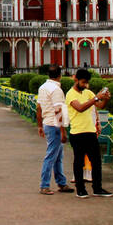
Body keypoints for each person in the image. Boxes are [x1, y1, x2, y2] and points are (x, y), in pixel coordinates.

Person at [66, 68, 111, 199]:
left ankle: (97, 188)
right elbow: (80, 108)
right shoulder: (70, 94)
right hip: (77, 132)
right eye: (83, 82)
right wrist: (96, 97)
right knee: (78, 162)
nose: (85, 85)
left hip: (90, 131)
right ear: (76, 79)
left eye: (86, 83)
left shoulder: (88, 92)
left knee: (96, 162)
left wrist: (105, 98)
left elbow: (100, 106)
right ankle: (80, 189)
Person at [35, 64, 71, 194]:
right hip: (54, 125)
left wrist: (39, 125)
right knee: (51, 156)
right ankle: (44, 185)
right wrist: (63, 131)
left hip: (47, 123)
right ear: (60, 76)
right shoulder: (56, 90)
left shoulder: (42, 88)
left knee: (57, 155)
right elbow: (58, 111)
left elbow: (38, 108)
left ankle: (61, 182)